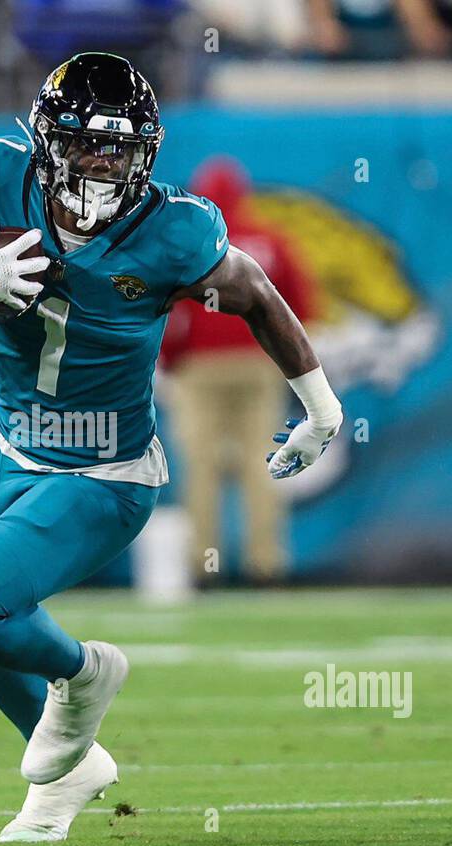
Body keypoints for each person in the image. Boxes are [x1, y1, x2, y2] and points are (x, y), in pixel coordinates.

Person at [0, 53, 342, 842]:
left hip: (103, 469)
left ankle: (85, 674)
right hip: (7, 442)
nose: (103, 162)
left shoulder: (173, 230)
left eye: (120, 148)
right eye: (87, 144)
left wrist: (321, 410)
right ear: (45, 142)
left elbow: (258, 293)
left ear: (146, 153)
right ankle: (70, 775)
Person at [161, 156, 319, 585]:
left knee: (201, 467)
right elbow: (300, 312)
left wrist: (170, 362)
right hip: (258, 362)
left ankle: (203, 565)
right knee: (264, 464)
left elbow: (166, 312)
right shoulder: (271, 240)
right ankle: (266, 566)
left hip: (199, 368)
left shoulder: (186, 243)